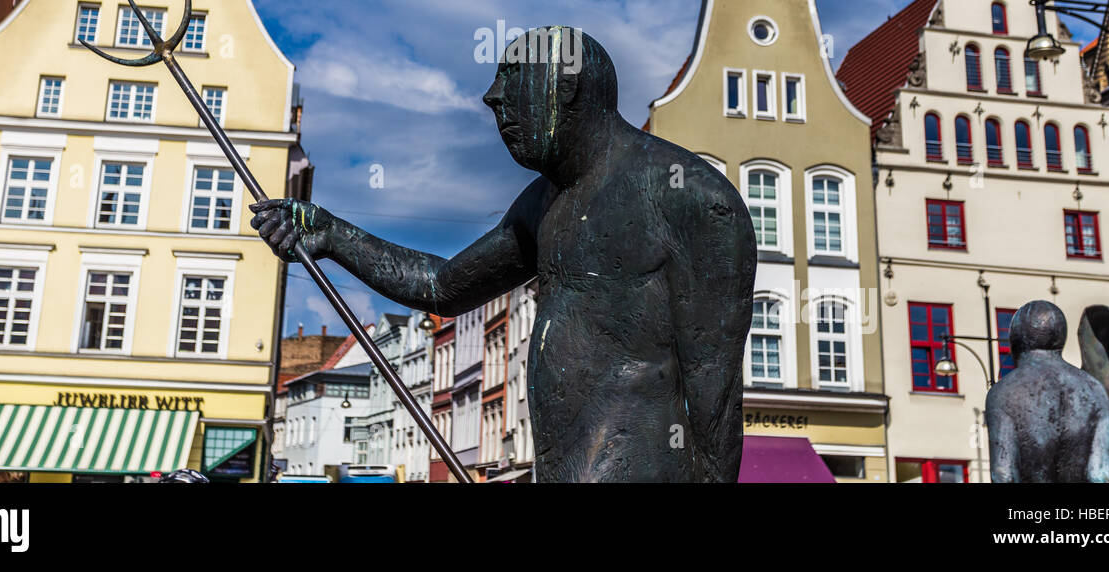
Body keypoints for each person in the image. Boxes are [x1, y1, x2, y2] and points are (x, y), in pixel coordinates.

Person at [252, 27, 756, 482]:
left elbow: (717, 391)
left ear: (568, 89)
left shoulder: (689, 197)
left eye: (514, 82)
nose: (494, 101)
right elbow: (442, 287)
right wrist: (334, 234)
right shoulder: (543, 203)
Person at [985, 300, 1109, 482]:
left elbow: (1003, 474)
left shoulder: (1004, 392)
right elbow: (1100, 475)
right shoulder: (1094, 389)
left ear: (1016, 340)